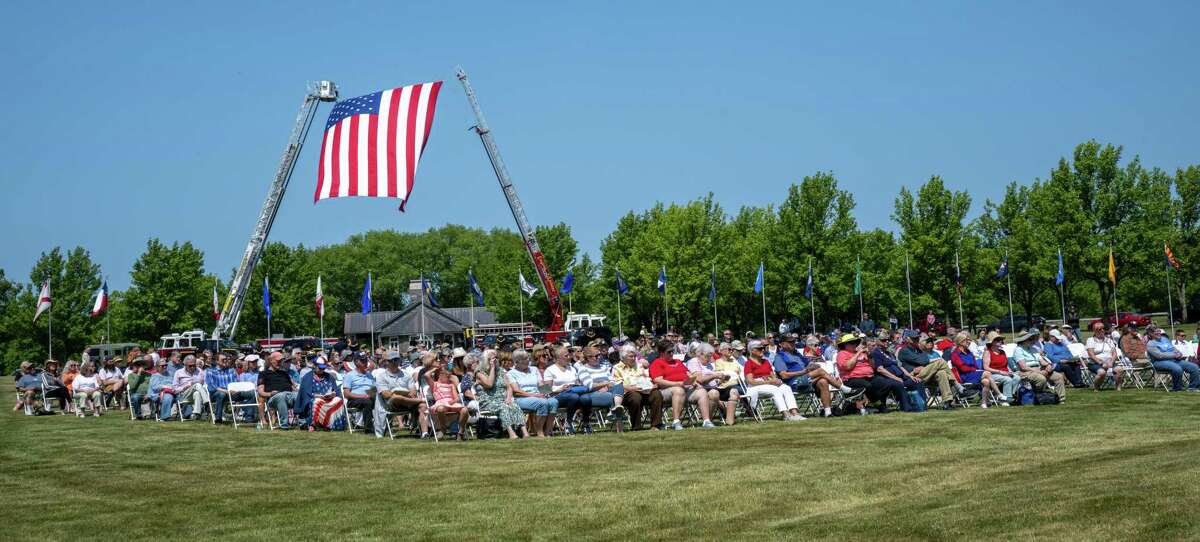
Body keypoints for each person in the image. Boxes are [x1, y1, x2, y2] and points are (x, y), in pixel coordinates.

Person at [773, 335, 849, 418]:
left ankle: (828, 412)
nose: (793, 343)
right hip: (794, 383)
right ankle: (843, 388)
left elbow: (808, 364)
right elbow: (784, 375)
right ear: (782, 344)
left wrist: (814, 365)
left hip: (807, 380)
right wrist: (803, 372)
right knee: (820, 372)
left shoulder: (797, 354)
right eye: (790, 342)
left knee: (823, 381)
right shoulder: (779, 357)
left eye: (794, 341)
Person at [649, 339, 715, 429]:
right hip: (665, 391)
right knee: (678, 390)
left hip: (685, 388)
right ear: (661, 353)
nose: (672, 353)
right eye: (669, 352)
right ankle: (676, 422)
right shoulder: (657, 363)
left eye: (673, 351)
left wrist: (694, 382)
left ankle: (706, 421)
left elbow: (689, 374)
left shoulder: (678, 362)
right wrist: (677, 383)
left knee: (702, 391)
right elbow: (658, 381)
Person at [743, 340, 805, 421]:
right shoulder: (749, 363)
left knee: (786, 388)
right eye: (760, 348)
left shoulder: (766, 362)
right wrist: (769, 382)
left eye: (763, 348)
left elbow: (773, 377)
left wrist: (776, 381)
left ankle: (795, 413)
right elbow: (750, 381)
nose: (763, 350)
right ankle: (786, 415)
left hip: (769, 384)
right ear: (752, 350)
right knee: (775, 390)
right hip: (756, 386)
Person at [898, 331, 960, 408]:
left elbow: (924, 360)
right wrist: (922, 364)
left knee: (941, 373)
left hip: (925, 374)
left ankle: (947, 402)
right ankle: (956, 383)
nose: (916, 340)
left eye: (917, 338)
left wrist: (924, 364)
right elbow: (923, 361)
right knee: (940, 361)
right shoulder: (904, 350)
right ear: (908, 339)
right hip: (912, 376)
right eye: (914, 338)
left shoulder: (920, 350)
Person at [473, 351, 527, 438]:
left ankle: (525, 433)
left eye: (496, 358)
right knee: (503, 407)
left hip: (503, 399)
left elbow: (509, 387)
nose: (495, 360)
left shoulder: (502, 371)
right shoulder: (479, 373)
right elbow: (489, 384)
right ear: (485, 360)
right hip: (488, 401)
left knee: (514, 405)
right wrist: (492, 368)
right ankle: (511, 433)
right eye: (491, 359)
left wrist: (509, 398)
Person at [508, 349, 557, 437]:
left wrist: (547, 394)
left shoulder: (534, 369)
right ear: (517, 361)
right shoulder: (511, 373)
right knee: (542, 403)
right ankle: (539, 431)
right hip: (522, 398)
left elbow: (541, 384)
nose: (528, 360)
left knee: (553, 401)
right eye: (525, 359)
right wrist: (535, 395)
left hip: (537, 395)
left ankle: (548, 431)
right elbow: (516, 391)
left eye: (528, 358)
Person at [869, 334, 923, 412]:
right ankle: (906, 408)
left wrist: (910, 376)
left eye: (888, 339)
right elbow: (880, 369)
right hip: (886, 378)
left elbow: (900, 366)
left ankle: (921, 406)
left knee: (917, 381)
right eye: (883, 340)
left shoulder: (890, 353)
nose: (886, 341)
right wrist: (896, 378)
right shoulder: (876, 353)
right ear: (877, 341)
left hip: (900, 376)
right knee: (899, 384)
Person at [1011, 330, 1067, 402]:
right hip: (1026, 371)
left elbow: (1042, 361)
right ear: (1024, 340)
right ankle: (1038, 396)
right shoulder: (1018, 350)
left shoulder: (1033, 349)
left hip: (1039, 369)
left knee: (1058, 376)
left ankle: (1060, 398)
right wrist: (1039, 371)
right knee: (1041, 379)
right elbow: (1023, 367)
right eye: (1030, 339)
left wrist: (1048, 365)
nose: (1033, 341)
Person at [573, 347, 618, 434]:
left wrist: (607, 386)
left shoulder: (603, 367)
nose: (599, 357)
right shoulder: (583, 369)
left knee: (619, 389)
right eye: (596, 356)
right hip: (593, 394)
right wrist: (605, 384)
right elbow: (589, 385)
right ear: (589, 358)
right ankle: (613, 410)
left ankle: (614, 411)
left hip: (608, 391)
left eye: (599, 355)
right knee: (617, 396)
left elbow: (612, 381)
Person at [611, 344, 656, 430]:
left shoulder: (639, 365)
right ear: (623, 357)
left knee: (656, 394)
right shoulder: (617, 368)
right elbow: (618, 385)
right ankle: (636, 426)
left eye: (634, 356)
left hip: (644, 390)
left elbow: (646, 377)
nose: (633, 358)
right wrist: (631, 388)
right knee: (635, 396)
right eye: (631, 356)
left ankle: (656, 425)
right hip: (627, 393)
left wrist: (651, 385)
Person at [296, 356, 346, 431]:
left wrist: (333, 394)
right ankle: (315, 424)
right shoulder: (307, 377)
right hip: (314, 399)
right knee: (317, 401)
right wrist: (318, 396)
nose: (322, 370)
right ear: (314, 366)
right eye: (320, 368)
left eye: (323, 368)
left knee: (338, 400)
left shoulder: (329, 377)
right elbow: (305, 394)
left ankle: (334, 425)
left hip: (329, 399)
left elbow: (336, 390)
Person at [1145, 325, 1200, 392]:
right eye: (1156, 332)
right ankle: (1177, 388)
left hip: (1174, 360)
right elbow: (1159, 355)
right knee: (1177, 368)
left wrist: (1179, 353)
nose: (1158, 333)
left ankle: (1193, 387)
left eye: (1159, 331)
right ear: (1150, 334)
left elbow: (1173, 348)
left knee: (1194, 367)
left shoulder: (1165, 339)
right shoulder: (1150, 344)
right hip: (1159, 362)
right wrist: (1174, 355)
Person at [949, 331, 996, 408]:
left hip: (972, 374)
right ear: (960, 341)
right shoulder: (955, 354)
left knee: (986, 381)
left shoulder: (969, 352)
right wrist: (974, 370)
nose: (968, 342)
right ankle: (998, 393)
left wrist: (974, 370)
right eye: (966, 340)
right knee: (987, 373)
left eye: (968, 340)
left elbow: (975, 365)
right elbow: (962, 368)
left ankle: (984, 403)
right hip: (963, 376)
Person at [544, 346, 583, 434]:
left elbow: (577, 381)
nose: (569, 357)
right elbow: (546, 390)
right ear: (558, 358)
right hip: (557, 396)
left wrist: (577, 384)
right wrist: (560, 389)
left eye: (568, 355)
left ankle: (585, 424)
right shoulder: (550, 370)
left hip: (573, 393)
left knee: (586, 398)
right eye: (566, 356)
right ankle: (568, 422)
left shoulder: (572, 369)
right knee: (574, 397)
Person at [685, 343, 727, 425]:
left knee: (716, 393)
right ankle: (708, 419)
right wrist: (714, 375)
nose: (710, 358)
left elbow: (713, 381)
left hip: (712, 388)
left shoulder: (709, 365)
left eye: (711, 356)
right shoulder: (693, 362)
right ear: (700, 354)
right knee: (714, 393)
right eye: (708, 356)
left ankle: (709, 420)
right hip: (696, 390)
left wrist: (721, 378)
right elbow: (700, 380)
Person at [258, 352, 298, 429]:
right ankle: (284, 425)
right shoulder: (263, 374)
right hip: (274, 398)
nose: (279, 363)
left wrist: (298, 392)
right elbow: (260, 391)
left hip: (289, 395)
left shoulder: (284, 373)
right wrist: (270, 394)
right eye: (277, 361)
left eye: (281, 361)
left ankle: (304, 423)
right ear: (271, 361)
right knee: (281, 396)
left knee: (301, 396)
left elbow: (293, 388)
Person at [428, 364, 468, 440]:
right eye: (441, 373)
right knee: (440, 409)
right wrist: (434, 369)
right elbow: (426, 376)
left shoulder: (451, 385)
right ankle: (443, 429)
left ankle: (461, 432)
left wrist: (451, 402)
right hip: (441, 403)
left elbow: (456, 398)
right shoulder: (435, 384)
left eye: (445, 374)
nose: (441, 375)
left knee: (465, 410)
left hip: (451, 404)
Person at [341, 353, 376, 432]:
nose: (366, 362)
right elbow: (346, 394)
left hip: (369, 398)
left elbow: (374, 389)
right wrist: (362, 396)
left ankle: (384, 426)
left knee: (382, 400)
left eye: (366, 360)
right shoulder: (349, 375)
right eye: (363, 361)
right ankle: (368, 429)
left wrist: (370, 394)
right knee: (367, 402)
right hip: (354, 400)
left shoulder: (370, 375)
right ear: (356, 362)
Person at [1085, 321, 1124, 390]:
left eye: (1103, 328)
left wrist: (1111, 362)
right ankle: (1096, 388)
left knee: (1119, 369)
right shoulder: (1090, 340)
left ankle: (1118, 388)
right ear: (1094, 331)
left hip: (1109, 362)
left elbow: (1114, 353)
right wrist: (1101, 363)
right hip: (1095, 363)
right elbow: (1091, 355)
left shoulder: (1109, 340)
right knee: (1101, 372)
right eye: (1099, 329)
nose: (1102, 330)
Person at [981, 331, 1017, 405]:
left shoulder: (1002, 352)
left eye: (1001, 340)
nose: (1000, 341)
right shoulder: (987, 352)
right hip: (993, 374)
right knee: (1008, 380)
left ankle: (1010, 396)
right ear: (992, 342)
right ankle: (1005, 400)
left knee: (1017, 378)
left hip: (1005, 372)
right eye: (998, 340)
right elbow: (986, 367)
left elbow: (1006, 365)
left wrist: (1010, 372)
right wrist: (1000, 372)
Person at [171, 355, 210, 420]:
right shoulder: (178, 372)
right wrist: (185, 387)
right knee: (197, 384)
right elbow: (174, 389)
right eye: (190, 366)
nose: (192, 367)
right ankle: (207, 403)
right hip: (183, 395)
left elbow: (205, 384)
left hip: (198, 393)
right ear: (185, 365)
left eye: (194, 365)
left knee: (197, 393)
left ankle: (196, 414)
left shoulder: (200, 371)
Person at [204, 353, 237, 423]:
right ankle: (218, 418)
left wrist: (234, 390)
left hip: (231, 393)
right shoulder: (210, 371)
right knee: (221, 394)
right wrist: (226, 391)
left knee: (250, 394)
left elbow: (236, 383)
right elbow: (212, 387)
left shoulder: (231, 371)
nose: (225, 361)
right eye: (223, 360)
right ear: (217, 361)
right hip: (215, 394)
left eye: (226, 359)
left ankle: (249, 417)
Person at [233, 356, 260, 422]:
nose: (254, 363)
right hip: (246, 394)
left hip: (258, 393)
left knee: (255, 395)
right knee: (252, 394)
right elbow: (243, 388)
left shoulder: (259, 374)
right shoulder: (243, 375)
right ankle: (249, 417)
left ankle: (249, 416)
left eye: (255, 362)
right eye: (252, 362)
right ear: (247, 363)